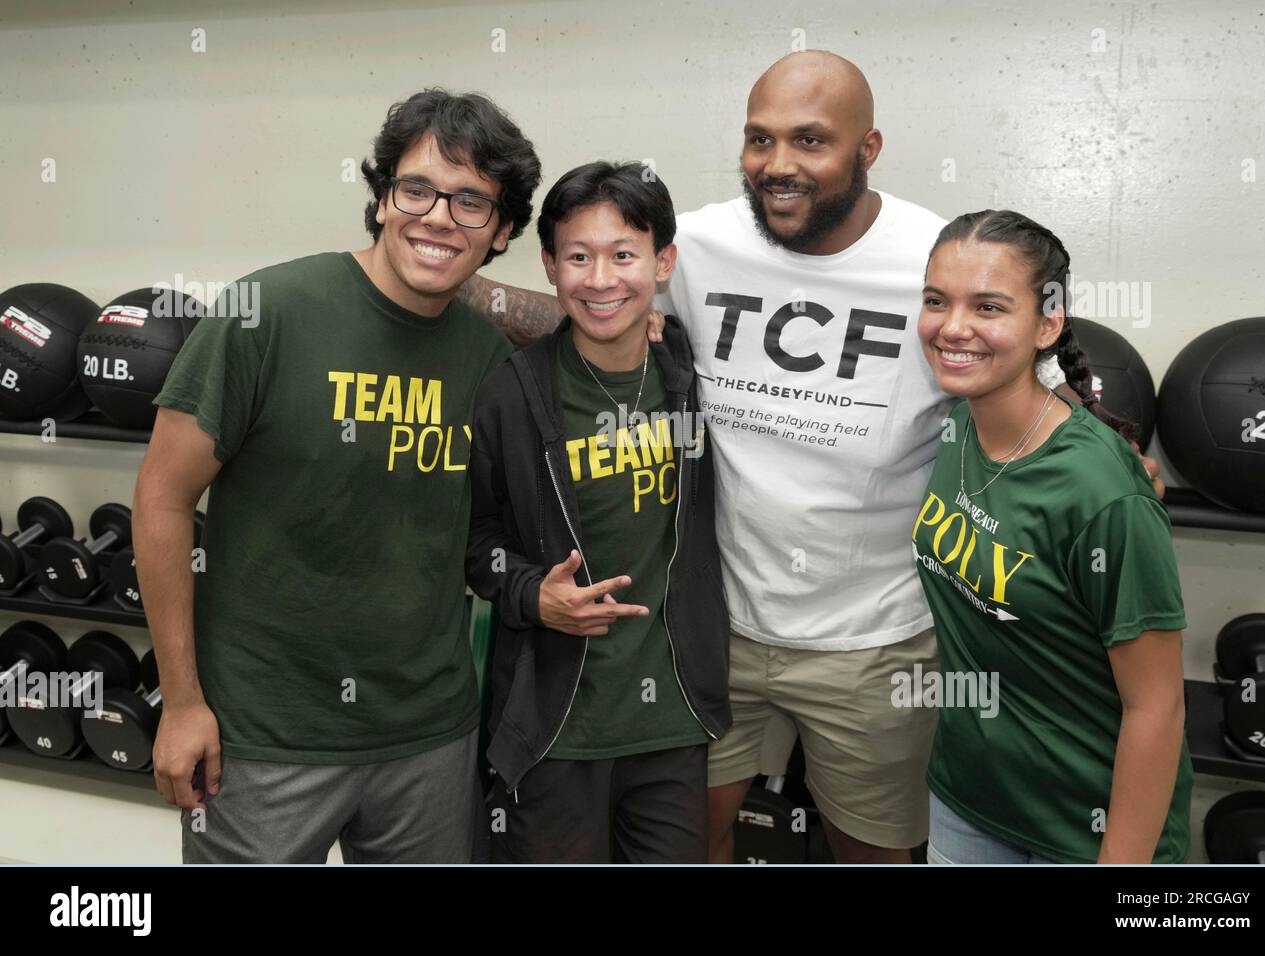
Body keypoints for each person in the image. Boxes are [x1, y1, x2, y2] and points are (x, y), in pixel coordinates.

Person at [461, 50, 1161, 863]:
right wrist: (442, 278)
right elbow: (597, 292)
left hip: (874, 640)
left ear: (868, 150)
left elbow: (1021, 374)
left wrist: (1107, 450)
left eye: (809, 141)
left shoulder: (933, 258)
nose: (778, 165)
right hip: (713, 630)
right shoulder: (701, 241)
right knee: (696, 835)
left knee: (872, 849)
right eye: (759, 141)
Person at [134, 88, 540, 863]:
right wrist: (181, 701)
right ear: (383, 198)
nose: (437, 217)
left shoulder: (488, 358)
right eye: (415, 189)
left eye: (471, 202)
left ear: (503, 230)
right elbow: (161, 498)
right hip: (263, 735)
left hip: (429, 735)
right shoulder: (268, 313)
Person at [466, 161, 730, 863]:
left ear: (662, 262)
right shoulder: (512, 397)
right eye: (578, 257)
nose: (602, 279)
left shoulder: (688, 373)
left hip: (674, 721)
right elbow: (476, 538)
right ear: (550, 266)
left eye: (624, 255)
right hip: (557, 724)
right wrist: (531, 594)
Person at [913, 209, 1191, 863]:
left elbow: (1158, 710)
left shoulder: (1104, 493)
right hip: (968, 798)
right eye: (935, 300)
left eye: (988, 306)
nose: (952, 327)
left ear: (1047, 322)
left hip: (1082, 829)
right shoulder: (958, 423)